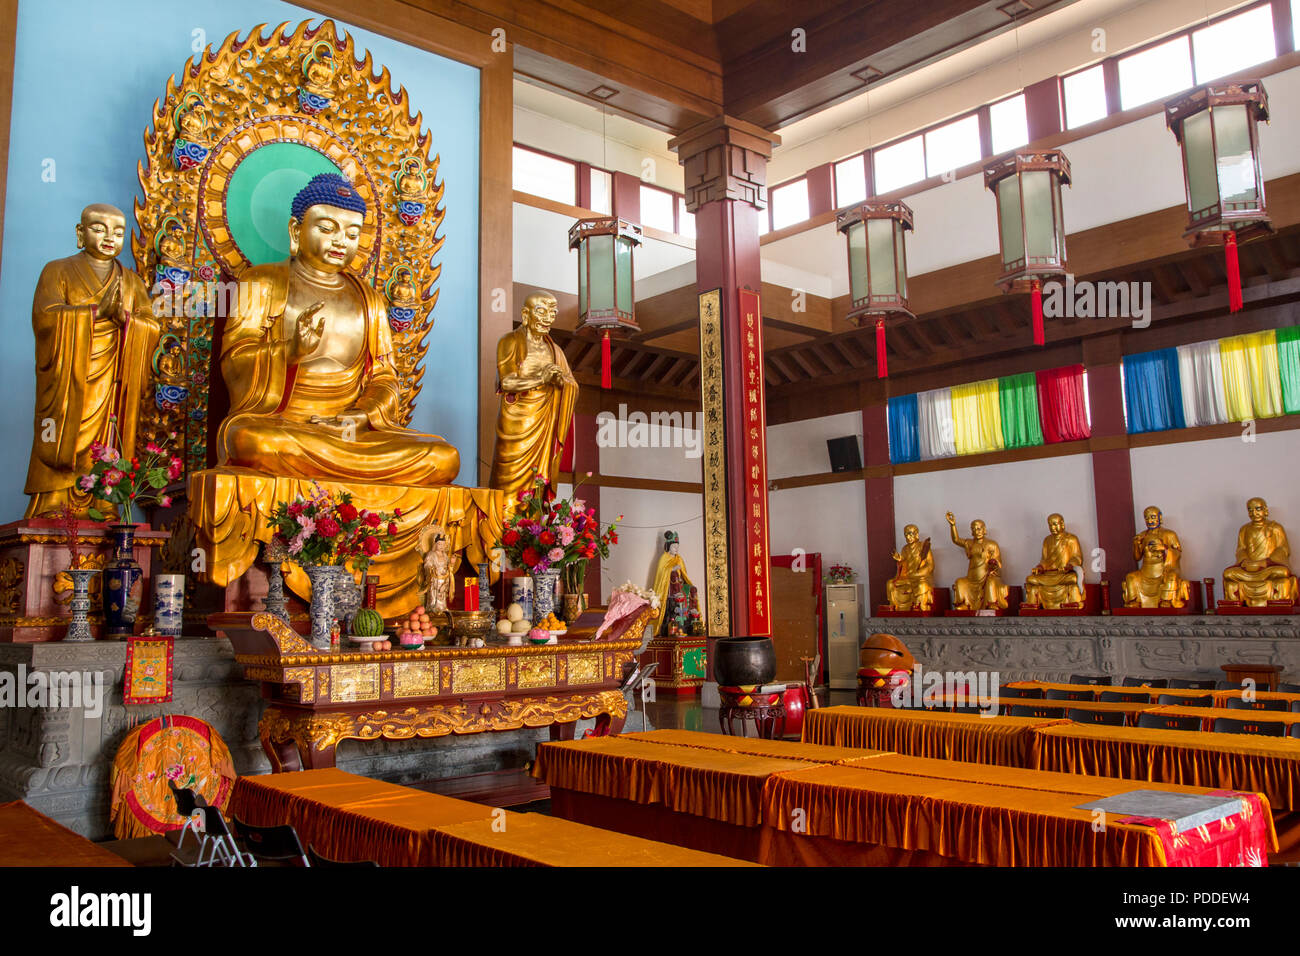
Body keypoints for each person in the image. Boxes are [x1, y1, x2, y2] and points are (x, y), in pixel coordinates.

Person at [215, 173, 460, 485]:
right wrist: (290, 351)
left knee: (442, 456)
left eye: (352, 233)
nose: (340, 240)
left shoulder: (369, 300)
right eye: (327, 228)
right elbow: (233, 362)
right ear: (295, 230)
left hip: (349, 433)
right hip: (285, 425)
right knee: (253, 442)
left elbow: (384, 378)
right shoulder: (260, 282)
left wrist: (361, 417)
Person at [25, 203, 160, 518]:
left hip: (112, 378)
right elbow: (45, 318)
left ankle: (102, 499)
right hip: (69, 377)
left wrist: (128, 322)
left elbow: (150, 326)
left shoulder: (132, 283)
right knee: (61, 431)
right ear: (79, 233)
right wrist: (97, 313)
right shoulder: (56, 270)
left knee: (108, 436)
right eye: (99, 228)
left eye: (118, 231)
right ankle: (55, 498)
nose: (109, 237)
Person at [489, 291, 577, 498]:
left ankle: (534, 528)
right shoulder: (510, 342)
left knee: (537, 482)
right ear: (525, 314)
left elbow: (571, 383)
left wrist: (561, 382)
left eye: (553, 313)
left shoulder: (555, 351)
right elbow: (506, 381)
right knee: (506, 484)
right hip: (516, 426)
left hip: (544, 425)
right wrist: (542, 379)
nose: (548, 318)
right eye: (541, 311)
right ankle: (503, 525)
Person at [1222, 497, 1299, 606]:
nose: (1254, 513)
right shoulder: (1244, 529)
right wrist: (1244, 561)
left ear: (1265, 510)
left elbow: (1283, 549)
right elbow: (1241, 549)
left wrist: (1264, 562)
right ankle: (1236, 601)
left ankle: (1277, 600)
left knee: (1282, 572)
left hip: (1268, 567)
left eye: (1258, 509)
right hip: (1249, 569)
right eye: (1250, 510)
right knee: (1228, 574)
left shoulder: (1275, 528)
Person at [945, 512, 1008, 611]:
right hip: (971, 578)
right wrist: (952, 525)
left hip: (986, 577)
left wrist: (994, 564)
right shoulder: (969, 543)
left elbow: (998, 563)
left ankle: (991, 603)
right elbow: (956, 540)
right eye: (973, 529)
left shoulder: (992, 544)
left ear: (984, 530)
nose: (976, 531)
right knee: (960, 582)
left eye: (979, 528)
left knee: (991, 582)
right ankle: (964, 604)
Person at [1023, 513, 1084, 608]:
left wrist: (1069, 565)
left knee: (1073, 579)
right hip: (1049, 574)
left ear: (1062, 524)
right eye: (1050, 525)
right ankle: (1033, 603)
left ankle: (1071, 602)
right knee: (1030, 579)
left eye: (1055, 524)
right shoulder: (1047, 540)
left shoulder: (1071, 539)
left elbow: (1077, 557)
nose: (1052, 527)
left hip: (1064, 574)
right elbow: (1044, 560)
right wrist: (1039, 567)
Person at [652, 530, 692, 636]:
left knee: (691, 592)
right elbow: (662, 574)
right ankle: (667, 627)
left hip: (679, 588)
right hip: (669, 590)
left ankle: (685, 625)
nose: (676, 549)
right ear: (668, 546)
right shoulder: (664, 559)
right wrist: (671, 569)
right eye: (674, 547)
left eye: (677, 547)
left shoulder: (679, 559)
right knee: (673, 574)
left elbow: (684, 575)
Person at [886, 524, 934, 611]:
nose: (908, 537)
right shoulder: (905, 549)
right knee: (890, 583)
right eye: (906, 535)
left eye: (910, 534)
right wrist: (900, 560)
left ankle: (918, 604)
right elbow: (904, 564)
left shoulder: (923, 547)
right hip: (907, 577)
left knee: (921, 586)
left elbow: (930, 565)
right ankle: (894, 605)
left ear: (916, 534)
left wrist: (917, 573)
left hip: (919, 578)